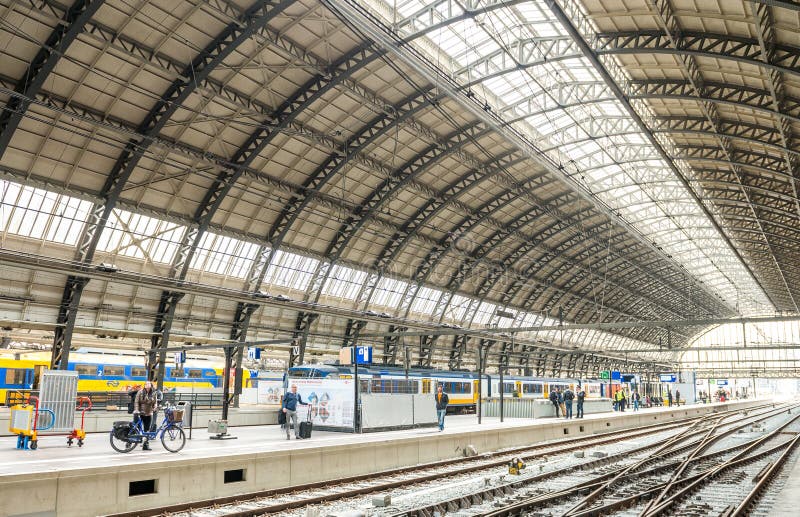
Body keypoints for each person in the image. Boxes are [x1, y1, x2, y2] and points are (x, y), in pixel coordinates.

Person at [134, 381, 158, 450]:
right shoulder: (140, 392)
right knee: (135, 428)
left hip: (148, 413)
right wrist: (136, 410)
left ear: (151, 386)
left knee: (147, 430)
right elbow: (136, 402)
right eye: (146, 384)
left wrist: (155, 406)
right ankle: (129, 442)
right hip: (140, 412)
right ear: (144, 386)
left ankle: (145, 445)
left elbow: (155, 402)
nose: (147, 386)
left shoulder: (154, 393)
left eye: (148, 384)